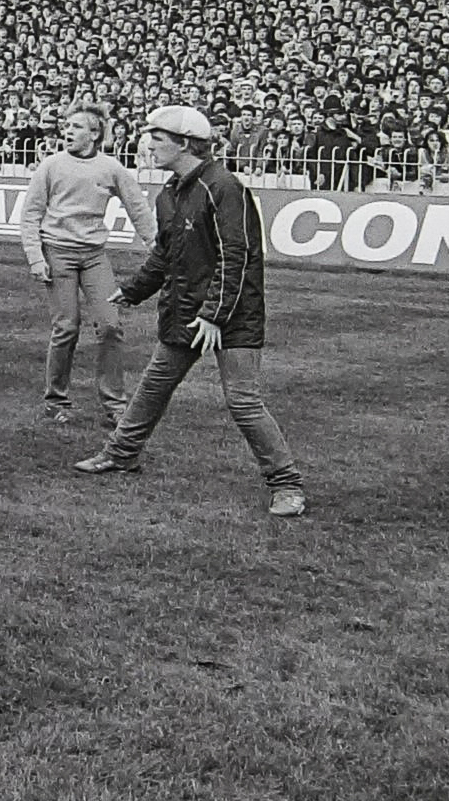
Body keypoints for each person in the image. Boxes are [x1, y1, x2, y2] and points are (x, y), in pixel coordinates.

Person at [75, 105, 306, 518]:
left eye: (158, 138)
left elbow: (235, 256)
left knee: (243, 401)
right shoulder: (170, 193)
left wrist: (215, 314)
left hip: (230, 316)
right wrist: (133, 291)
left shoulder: (224, 188)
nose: (149, 144)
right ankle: (121, 454)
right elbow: (166, 254)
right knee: (153, 387)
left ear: (184, 143)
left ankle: (286, 484)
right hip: (185, 310)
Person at [17, 103, 154, 427]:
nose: (68, 131)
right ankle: (56, 400)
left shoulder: (112, 168)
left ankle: (115, 405)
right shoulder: (50, 166)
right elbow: (31, 214)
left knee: (110, 325)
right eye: (67, 125)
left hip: (94, 255)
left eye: (77, 126)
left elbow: (138, 208)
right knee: (66, 327)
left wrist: (155, 247)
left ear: (94, 134)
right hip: (57, 253)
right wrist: (36, 257)